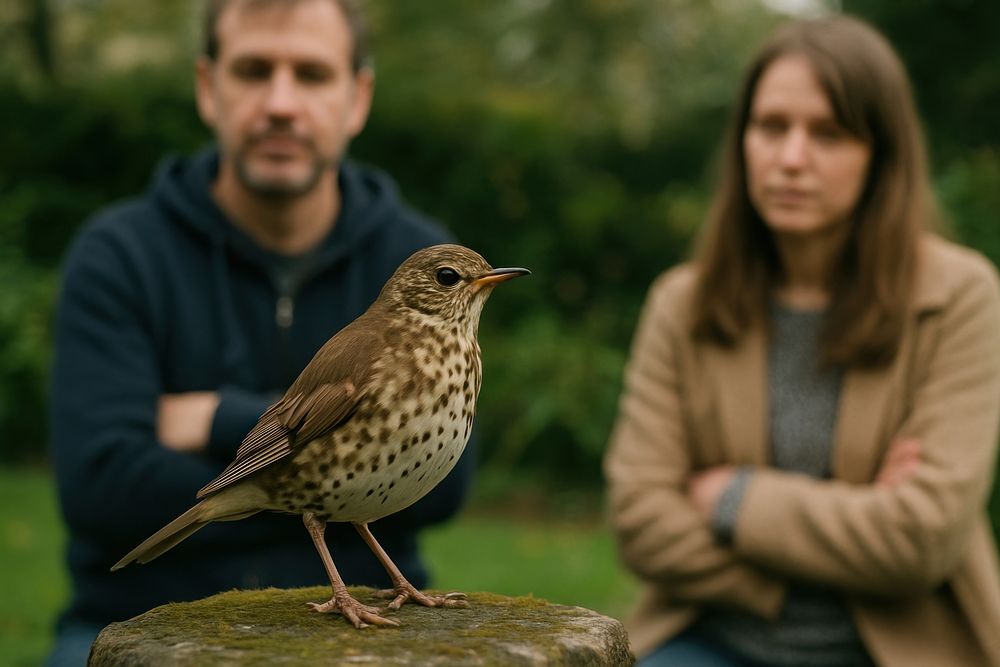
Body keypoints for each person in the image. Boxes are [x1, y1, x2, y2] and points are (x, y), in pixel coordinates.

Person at [46, 0, 474, 664]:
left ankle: (391, 585)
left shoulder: (414, 245)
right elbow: (100, 489)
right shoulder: (118, 253)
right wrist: (246, 469)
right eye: (253, 69)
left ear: (358, 96)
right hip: (129, 621)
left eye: (310, 73)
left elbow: (445, 486)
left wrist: (210, 414)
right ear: (206, 87)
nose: (280, 102)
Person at [604, 14, 1000, 667]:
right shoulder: (683, 302)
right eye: (771, 127)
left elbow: (921, 537)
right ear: (742, 142)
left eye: (828, 133)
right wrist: (845, 531)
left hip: (900, 647)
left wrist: (731, 497)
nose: (791, 158)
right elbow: (642, 521)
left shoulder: (958, 295)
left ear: (882, 156)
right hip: (714, 641)